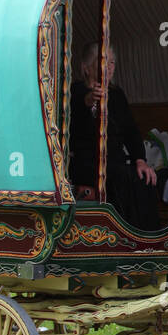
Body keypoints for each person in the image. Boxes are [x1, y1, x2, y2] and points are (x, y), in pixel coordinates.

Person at [69, 43, 159, 230]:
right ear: (86, 68)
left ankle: (147, 238)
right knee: (121, 177)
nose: (109, 66)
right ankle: (121, 235)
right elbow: (81, 105)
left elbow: (131, 131)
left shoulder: (117, 94)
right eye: (102, 61)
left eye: (112, 62)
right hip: (87, 161)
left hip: (116, 160)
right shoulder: (75, 91)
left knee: (145, 177)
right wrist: (90, 100)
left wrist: (140, 160)